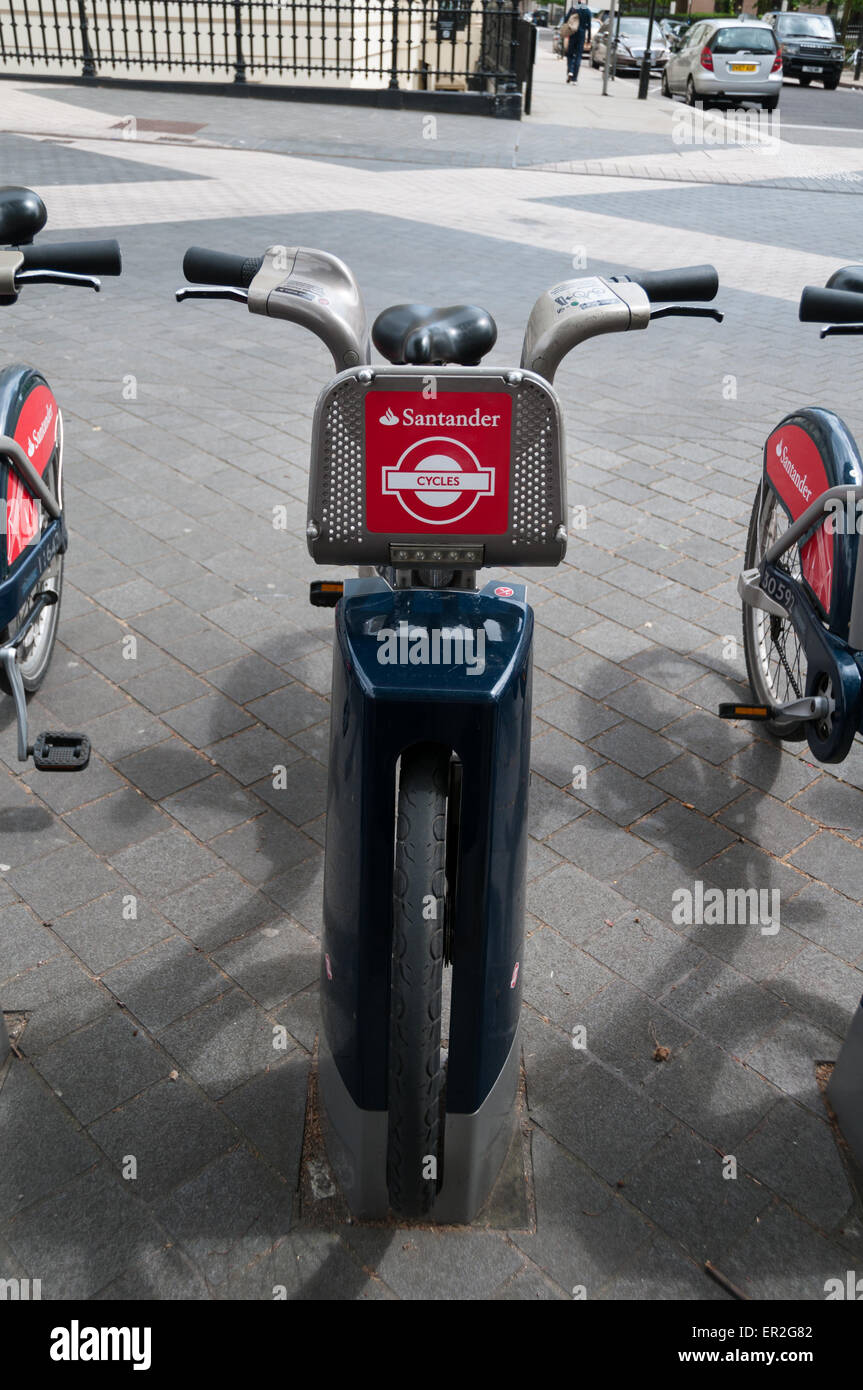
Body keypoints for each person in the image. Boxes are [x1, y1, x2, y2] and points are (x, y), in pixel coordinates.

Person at [563, 3, 592, 84]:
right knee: (578, 56)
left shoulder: (573, 9)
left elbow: (566, 20)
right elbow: (589, 26)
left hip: (573, 34)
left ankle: (570, 71)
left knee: (570, 54)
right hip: (581, 35)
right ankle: (574, 79)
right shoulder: (587, 11)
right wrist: (589, 38)